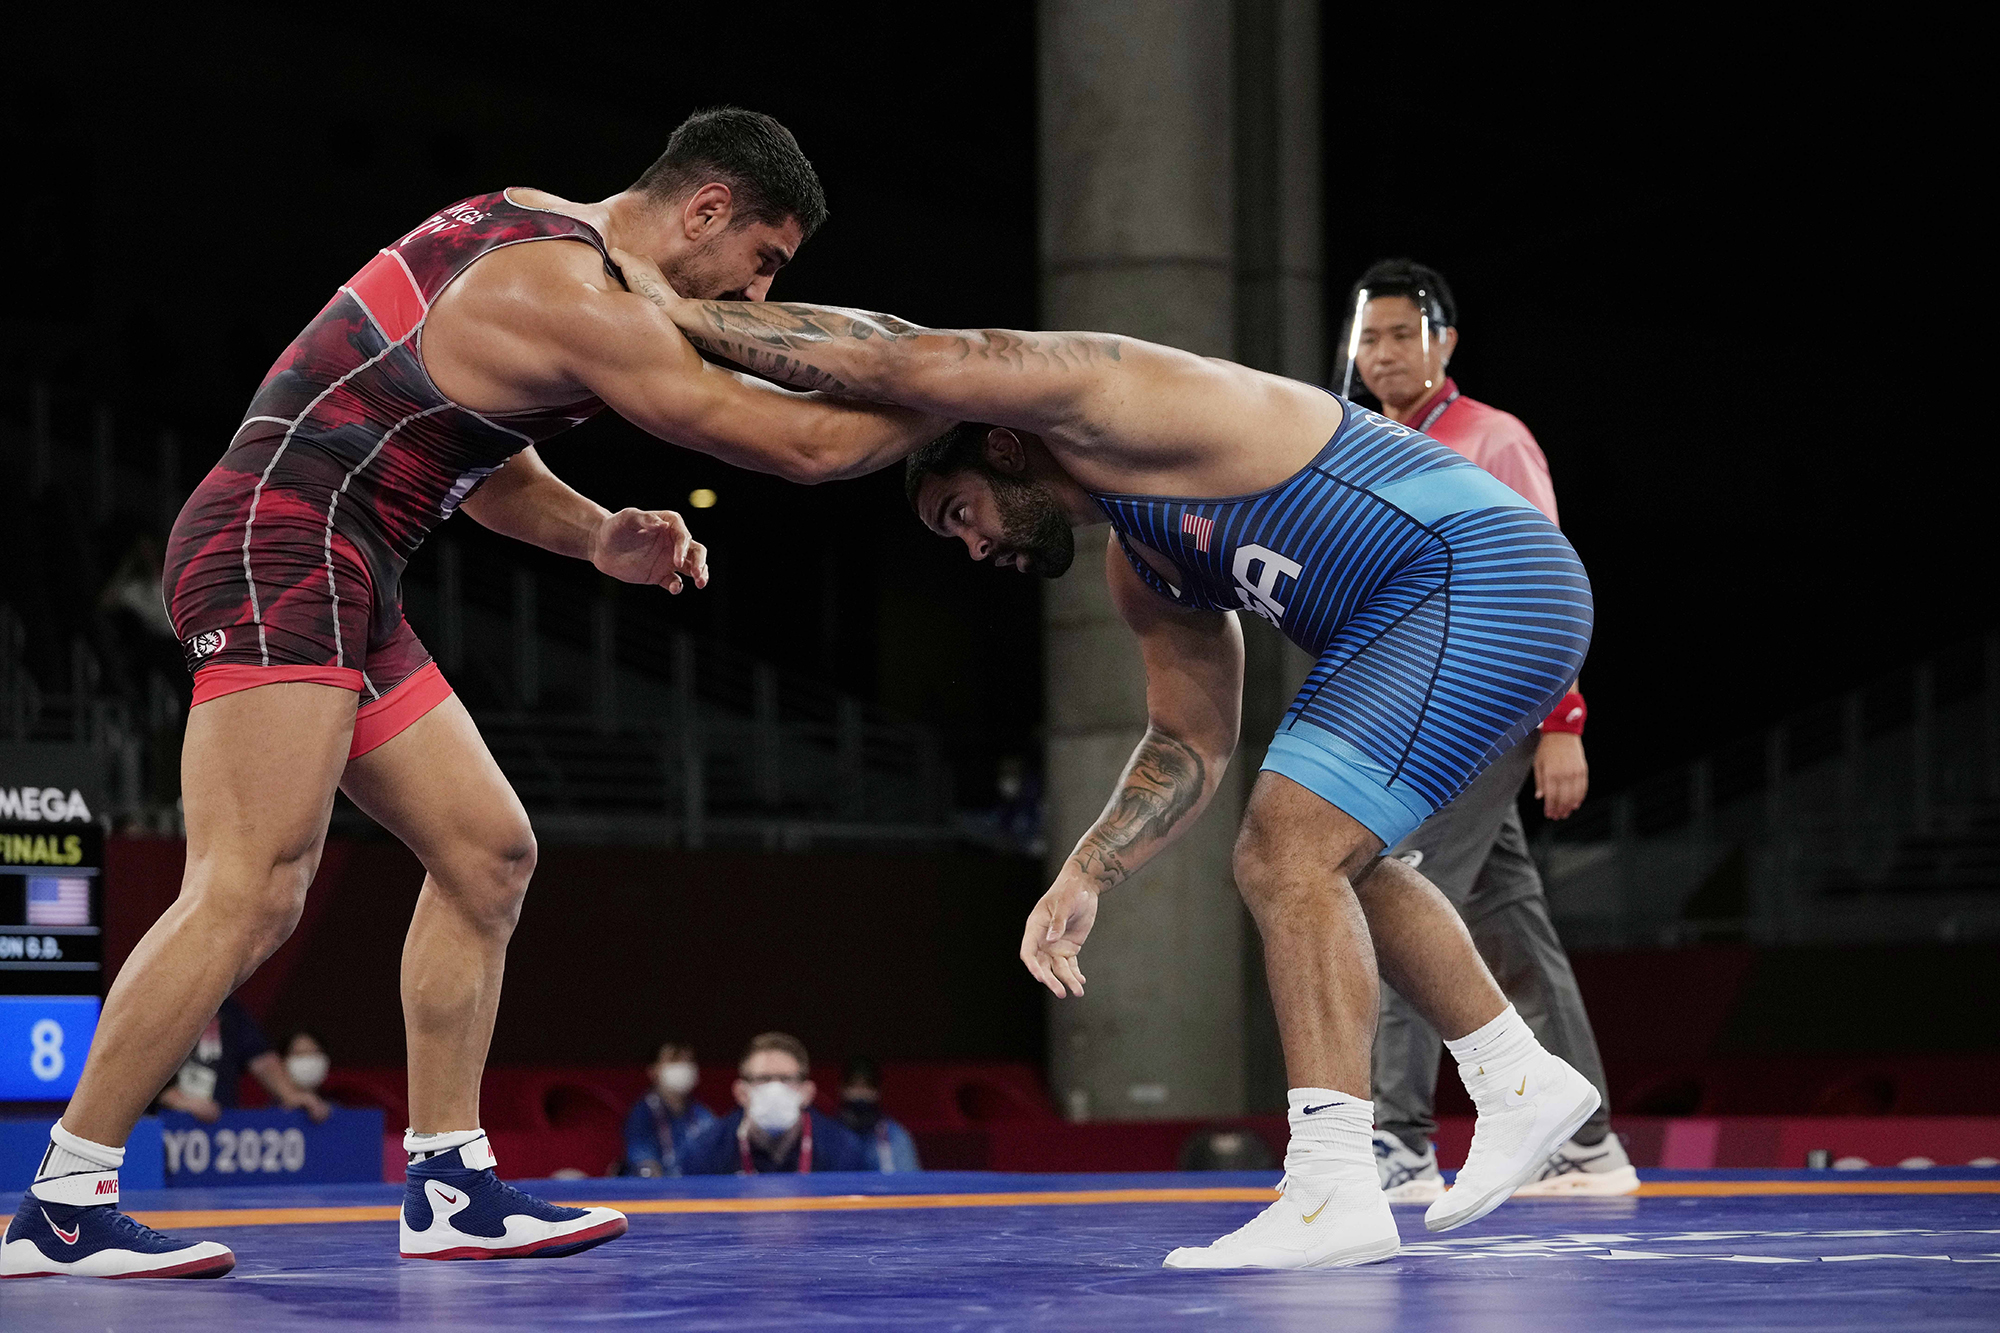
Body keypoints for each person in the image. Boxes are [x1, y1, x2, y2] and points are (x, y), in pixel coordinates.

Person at [2, 106, 942, 1281]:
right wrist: (986, 393)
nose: (755, 299)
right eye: (762, 264)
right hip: (278, 540)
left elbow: (480, 462)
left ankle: (447, 1177)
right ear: (705, 209)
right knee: (253, 885)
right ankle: (63, 1200)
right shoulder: (564, 290)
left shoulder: (536, 237)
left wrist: (602, 539)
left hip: (348, 558)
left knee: (488, 851)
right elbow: (788, 444)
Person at [620, 265, 1600, 1270]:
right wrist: (1087, 870)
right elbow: (1189, 739)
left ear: (1001, 443)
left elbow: (902, 354)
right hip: (1434, 597)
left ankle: (1333, 1185)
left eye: (959, 513)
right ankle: (1518, 1077)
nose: (971, 549)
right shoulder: (1144, 561)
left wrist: (677, 318)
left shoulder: (1110, 399)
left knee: (1283, 853)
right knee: (1332, 851)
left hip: (1478, 570)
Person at [1345, 259, 1634, 1200]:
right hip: (1409, 713)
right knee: (1509, 923)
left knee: (1390, 894)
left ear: (1445, 342)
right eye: (1369, 335)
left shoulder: (1491, 438)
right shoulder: (1362, 444)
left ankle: (1396, 1137)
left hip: (1484, 706)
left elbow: (1550, 584)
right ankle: (1587, 1142)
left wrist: (1565, 721)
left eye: (1402, 334)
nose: (1383, 352)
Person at [677, 1033, 873, 1175]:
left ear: (807, 1093)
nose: (775, 1089)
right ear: (741, 1092)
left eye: (787, 1079)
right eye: (763, 1079)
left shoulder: (844, 1150)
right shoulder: (705, 1152)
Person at [153, 998, 331, 1124]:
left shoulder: (229, 1010)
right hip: (159, 1127)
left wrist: (290, 1095)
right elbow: (137, 1064)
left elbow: (261, 1058)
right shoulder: (160, 1005)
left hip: (219, 1129)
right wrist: (176, 1099)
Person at [622, 1041, 716, 1177]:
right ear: (653, 1071)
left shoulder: (703, 1115)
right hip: (656, 1194)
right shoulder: (641, 1115)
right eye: (673, 1060)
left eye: (687, 1060)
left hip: (696, 1193)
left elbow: (719, 1159)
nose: (682, 1066)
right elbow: (645, 1168)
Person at [838, 1057, 921, 1173]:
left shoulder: (895, 1136)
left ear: (878, 1092)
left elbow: (909, 1185)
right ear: (842, 1089)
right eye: (854, 1086)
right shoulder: (827, 1135)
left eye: (867, 1086)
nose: (861, 1093)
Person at [282, 1031, 332, 1100]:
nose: (306, 1059)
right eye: (299, 1054)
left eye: (312, 1052)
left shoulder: (341, 1110)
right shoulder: (268, 1110)